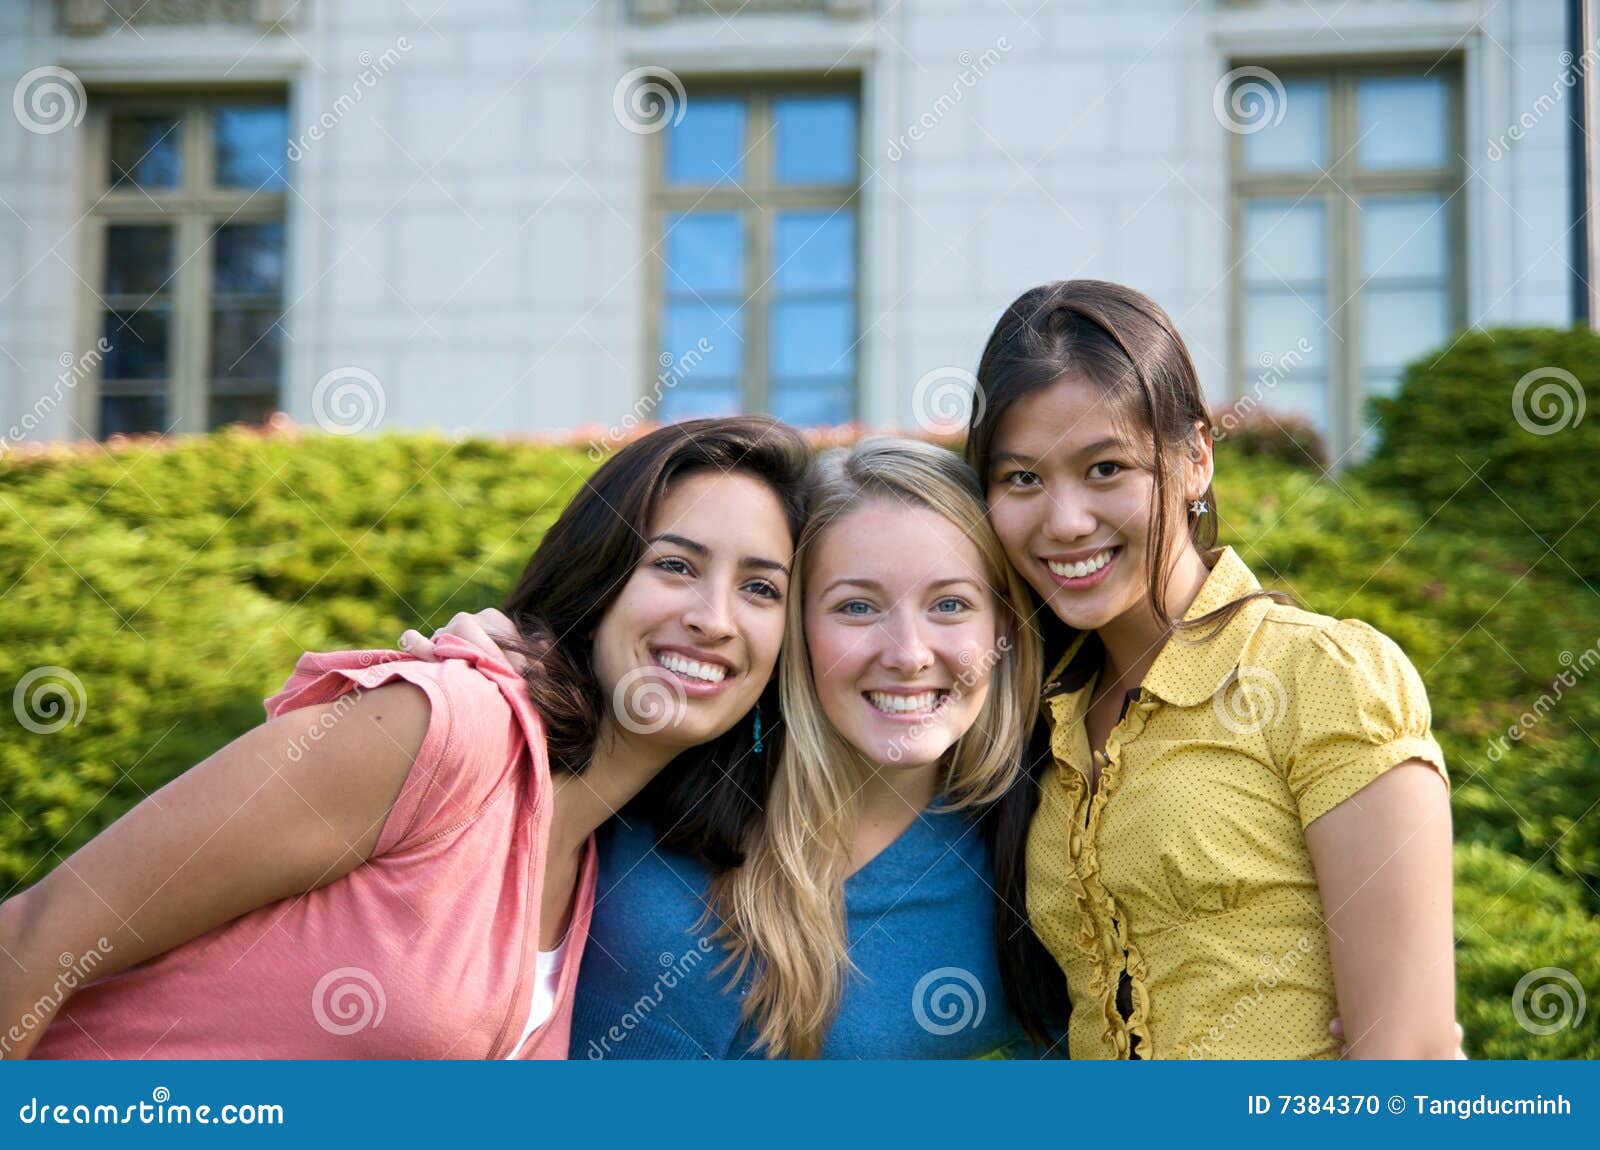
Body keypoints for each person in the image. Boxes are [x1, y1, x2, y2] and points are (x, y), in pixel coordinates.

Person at [0, 417, 811, 1059]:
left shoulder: (599, 858)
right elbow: (37, 936)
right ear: (596, 577)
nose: (714, 618)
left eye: (760, 588)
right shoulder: (449, 729)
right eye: (674, 565)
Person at [968, 280, 1457, 1059]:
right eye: (1022, 478)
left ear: (1195, 457)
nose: (1063, 522)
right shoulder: (1036, 716)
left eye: (1105, 469)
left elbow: (1411, 1063)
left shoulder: (1323, 676)